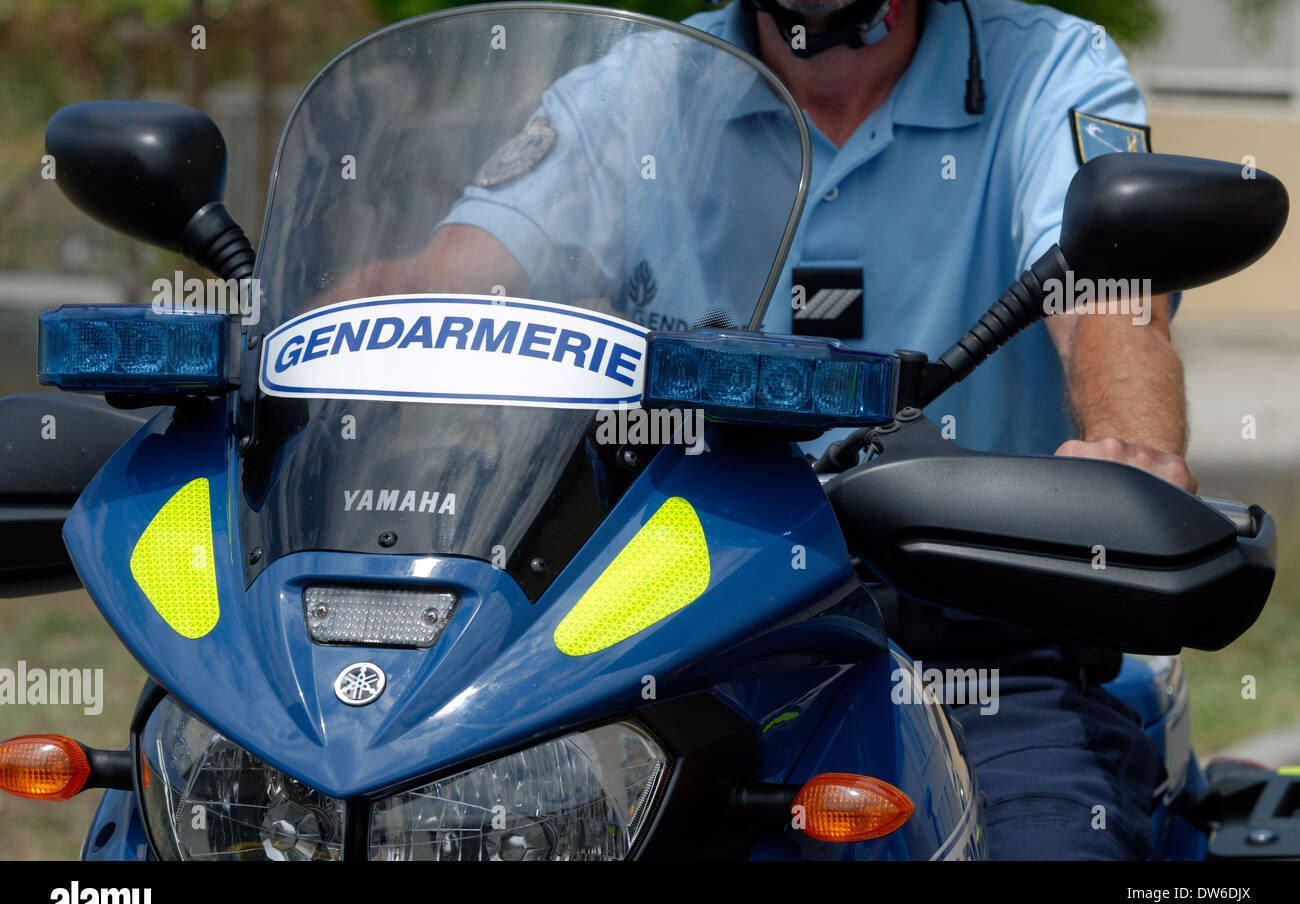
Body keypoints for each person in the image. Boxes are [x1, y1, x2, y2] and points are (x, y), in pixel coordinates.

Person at [343, 0, 1185, 859]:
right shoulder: (644, 82)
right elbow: (457, 282)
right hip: (669, 656)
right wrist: (338, 317)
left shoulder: (1047, 69)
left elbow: (1110, 298)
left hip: (979, 658)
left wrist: (1129, 448)